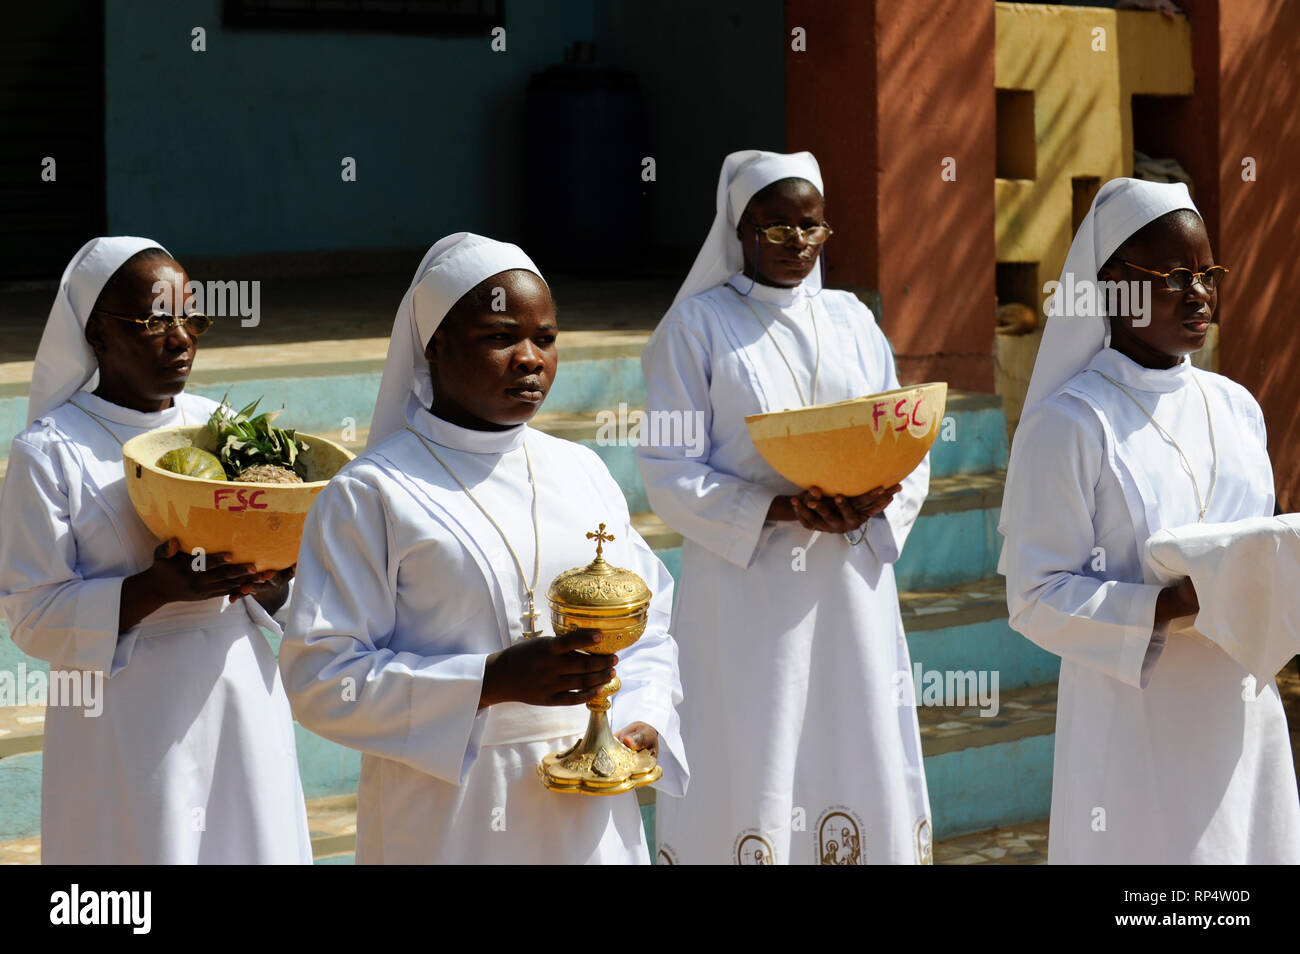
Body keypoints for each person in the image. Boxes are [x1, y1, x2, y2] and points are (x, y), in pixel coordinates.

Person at [279, 232, 686, 864]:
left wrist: (641, 714)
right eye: (501, 337)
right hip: (448, 812)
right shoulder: (375, 493)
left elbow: (650, 622)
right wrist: (488, 682)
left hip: (590, 811)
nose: (530, 358)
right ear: (434, 346)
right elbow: (321, 680)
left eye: (545, 339)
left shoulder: (580, 471)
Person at [637, 150, 932, 865]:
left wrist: (876, 501)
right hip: (747, 589)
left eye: (810, 226)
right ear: (740, 232)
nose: (796, 242)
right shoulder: (694, 328)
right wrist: (780, 511)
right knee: (756, 742)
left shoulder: (853, 319)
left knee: (853, 731)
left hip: (850, 581)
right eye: (775, 228)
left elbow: (902, 435)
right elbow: (667, 473)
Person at [999, 177, 1300, 863]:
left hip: (1239, 709)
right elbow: (1034, 597)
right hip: (1135, 726)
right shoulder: (1071, 424)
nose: (1198, 292)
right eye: (1173, 275)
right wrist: (1166, 606)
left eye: (1206, 273)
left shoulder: (1235, 407)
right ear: (1113, 287)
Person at [0, 237, 312, 864]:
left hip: (238, 689)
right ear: (96, 332)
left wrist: (273, 573)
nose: (181, 340)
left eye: (190, 318)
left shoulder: (221, 430)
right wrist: (154, 589)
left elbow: (286, 591)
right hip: (125, 713)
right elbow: (32, 616)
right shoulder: (51, 450)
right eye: (154, 321)